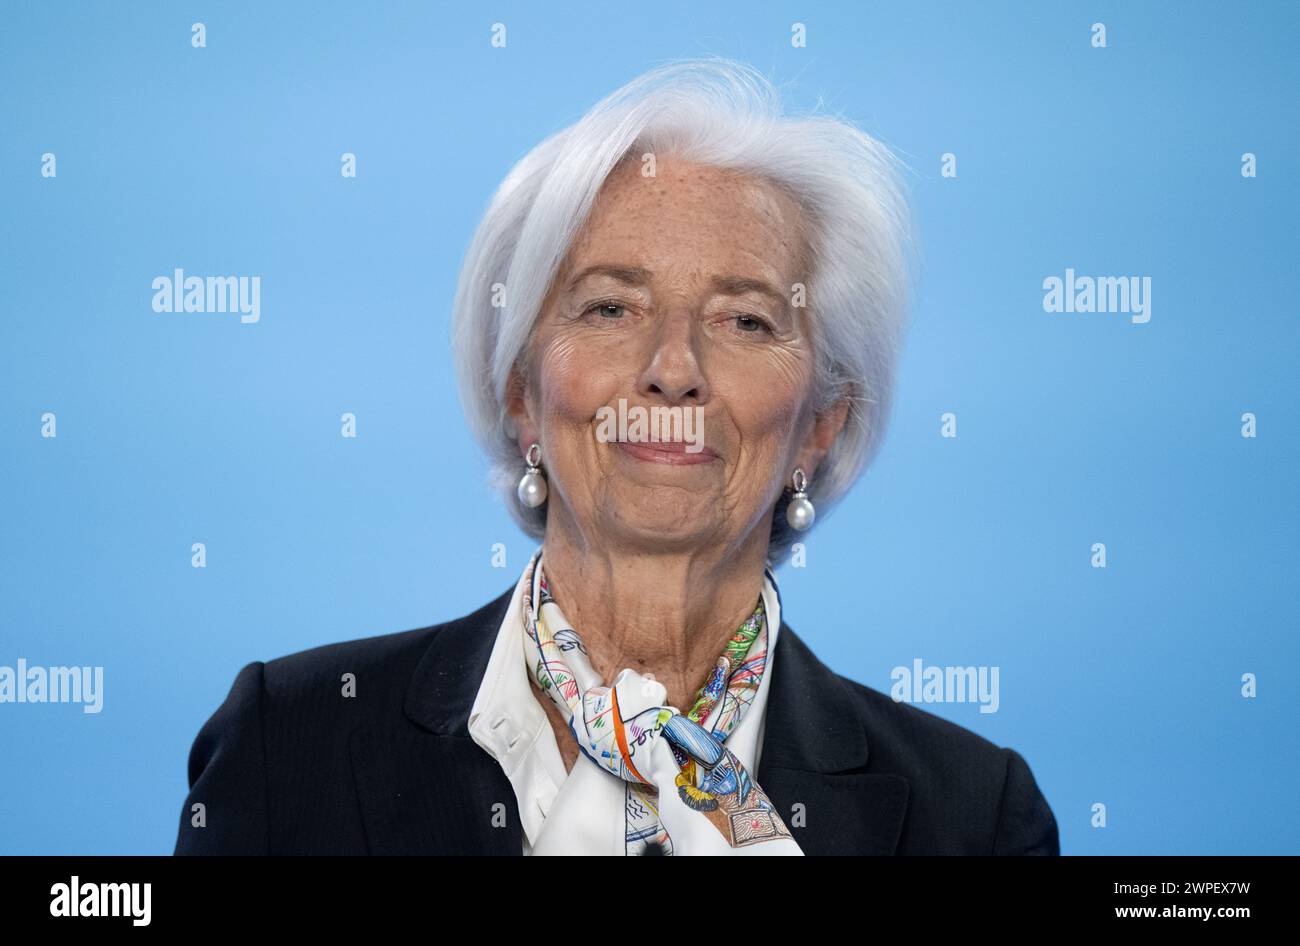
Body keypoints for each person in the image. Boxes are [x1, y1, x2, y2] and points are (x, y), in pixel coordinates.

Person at [174, 58, 1059, 856]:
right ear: (520, 386)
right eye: (609, 308)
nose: (672, 371)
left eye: (746, 320)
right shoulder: (288, 744)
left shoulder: (971, 818)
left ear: (822, 422)